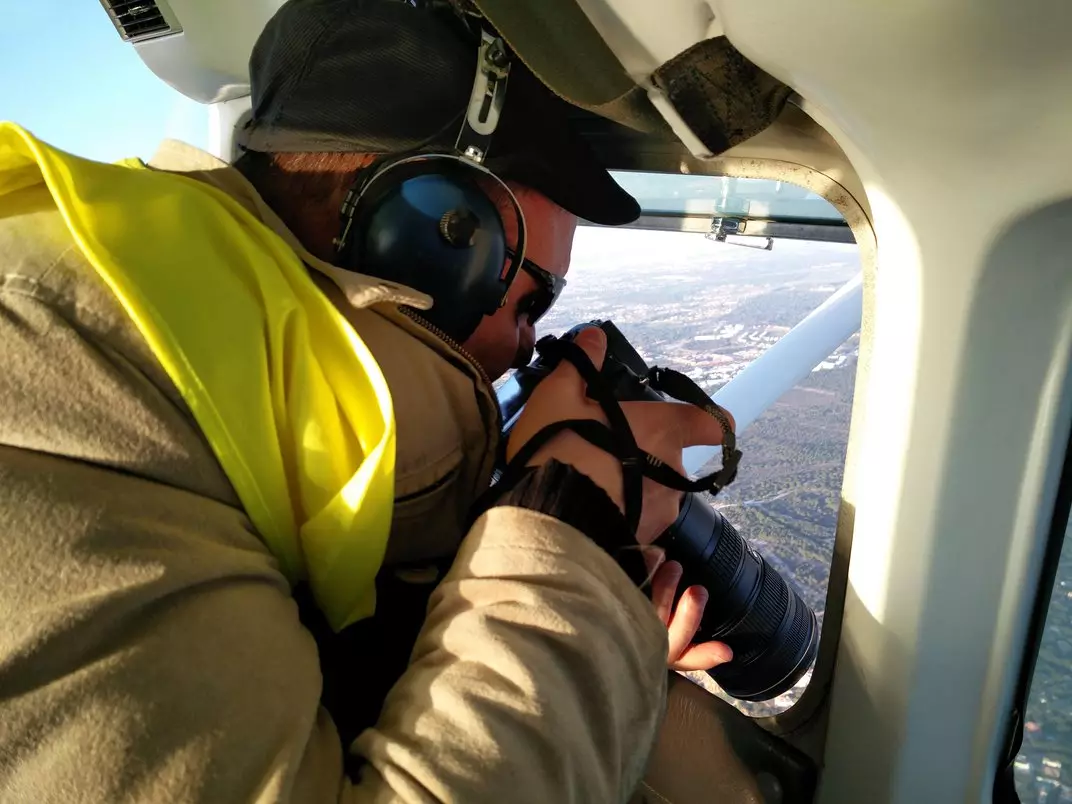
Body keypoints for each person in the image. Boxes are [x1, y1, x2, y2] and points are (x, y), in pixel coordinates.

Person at [0, 1, 732, 801]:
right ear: (433, 245)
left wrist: (598, 647)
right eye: (532, 302)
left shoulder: (200, 381)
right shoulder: (66, 382)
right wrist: (566, 533)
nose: (530, 348)